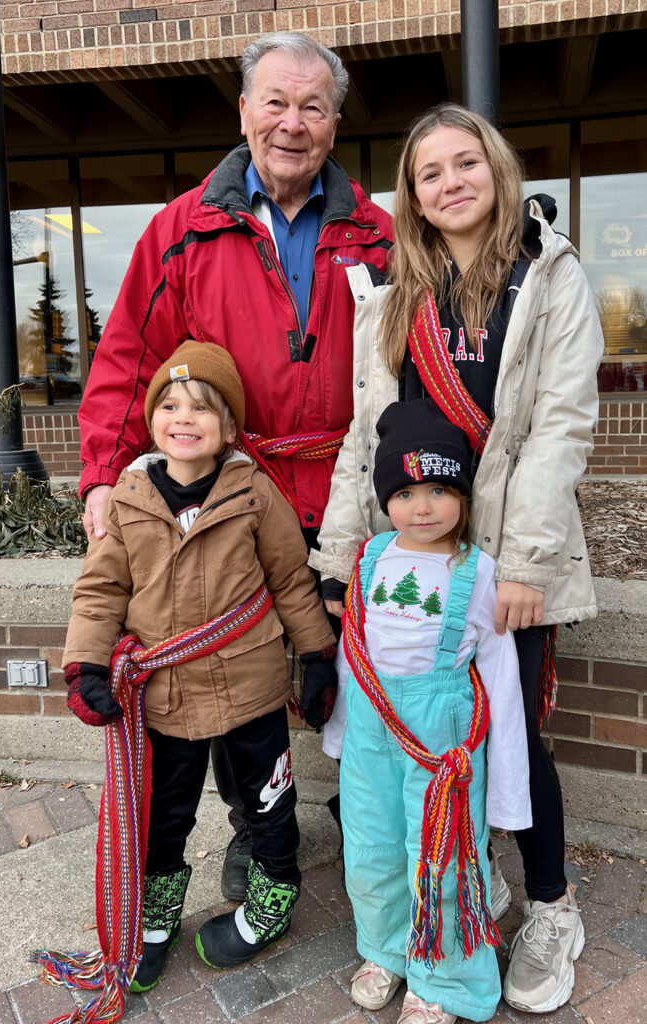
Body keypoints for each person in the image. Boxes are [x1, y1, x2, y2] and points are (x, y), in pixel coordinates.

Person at [76, 31, 393, 900]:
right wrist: (104, 473)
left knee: (350, 662)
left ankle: (351, 812)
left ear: (334, 122)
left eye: (313, 106)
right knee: (232, 675)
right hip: (232, 491)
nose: (293, 123)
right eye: (276, 103)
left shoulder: (376, 233)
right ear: (244, 110)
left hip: (351, 493)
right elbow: (128, 359)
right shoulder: (180, 229)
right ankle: (256, 830)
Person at [310, 103, 604, 1016]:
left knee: (509, 736)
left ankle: (550, 906)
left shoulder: (549, 277)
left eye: (463, 163)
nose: (448, 182)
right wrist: (339, 556)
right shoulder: (393, 294)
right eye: (427, 172)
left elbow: (559, 426)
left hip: (500, 561)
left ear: (497, 168)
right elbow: (367, 438)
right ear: (413, 196)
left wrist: (520, 564)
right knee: (411, 747)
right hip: (408, 560)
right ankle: (435, 913)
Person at [63, 340, 338, 990]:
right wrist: (86, 666)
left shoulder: (252, 491)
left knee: (266, 798)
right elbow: (101, 591)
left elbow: (291, 580)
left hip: (252, 686)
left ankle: (273, 894)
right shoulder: (130, 497)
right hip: (166, 694)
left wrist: (316, 656)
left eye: (202, 408)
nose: (183, 419)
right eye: (170, 404)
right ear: (154, 417)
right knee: (165, 811)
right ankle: (155, 919)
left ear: (230, 427)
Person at [340, 399, 530, 1024]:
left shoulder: (478, 573)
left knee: (442, 855)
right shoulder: (370, 561)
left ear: (464, 496)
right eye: (406, 491)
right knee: (371, 845)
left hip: (441, 735)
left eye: (440, 489)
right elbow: (354, 655)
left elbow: (500, 680)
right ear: (385, 498)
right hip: (371, 730)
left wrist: (506, 792)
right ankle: (388, 949)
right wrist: (342, 735)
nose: (422, 508)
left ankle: (443, 980)